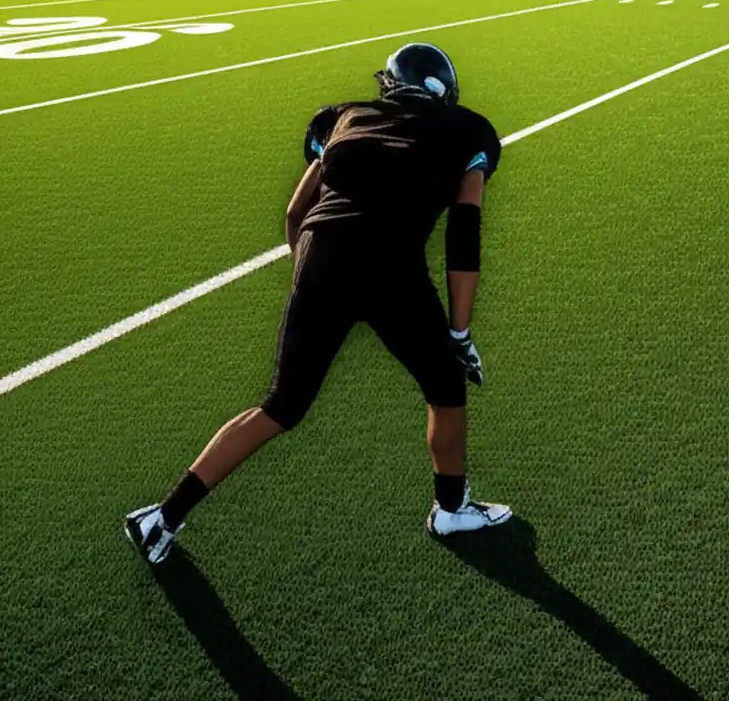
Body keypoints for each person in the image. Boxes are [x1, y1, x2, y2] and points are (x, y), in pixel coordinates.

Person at [125, 42, 511, 565]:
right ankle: (451, 509)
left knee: (281, 403)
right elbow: (463, 232)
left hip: (322, 254)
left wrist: (314, 279)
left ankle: (161, 518)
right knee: (445, 386)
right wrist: (459, 333)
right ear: (445, 91)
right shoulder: (468, 130)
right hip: (391, 264)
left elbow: (294, 212)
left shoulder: (347, 117)